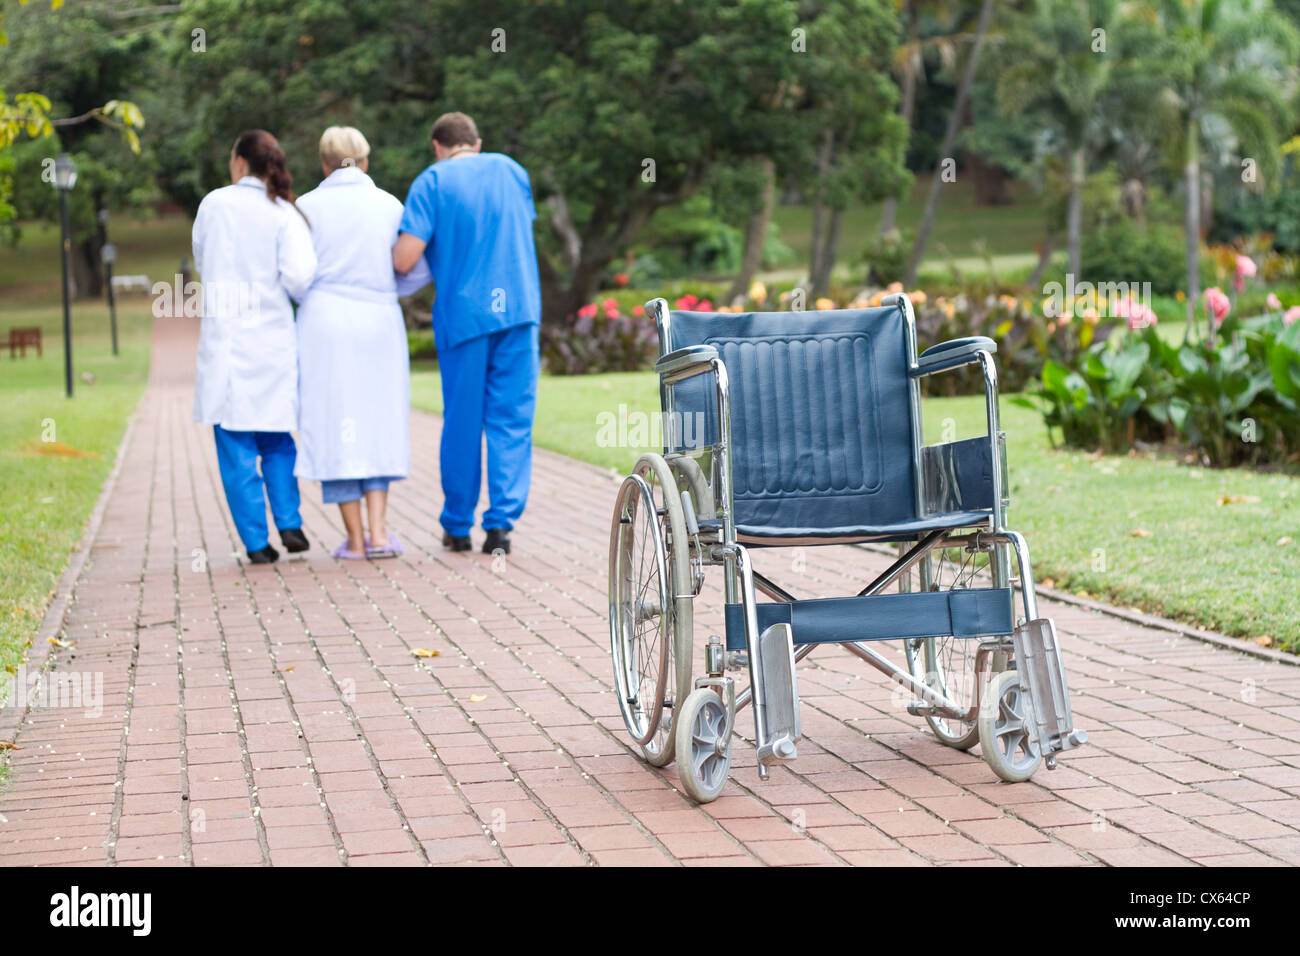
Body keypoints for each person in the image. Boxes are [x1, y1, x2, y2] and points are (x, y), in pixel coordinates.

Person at [393, 112, 541, 555]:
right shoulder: (512, 170)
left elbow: (404, 258)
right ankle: (500, 527)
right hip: (518, 310)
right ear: (476, 143)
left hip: (464, 316)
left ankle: (457, 526)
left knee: (462, 422)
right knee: (511, 421)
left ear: (437, 146)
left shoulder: (431, 182)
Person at [295, 126, 432, 559]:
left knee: (333, 419)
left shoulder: (304, 208)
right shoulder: (389, 205)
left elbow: (295, 275)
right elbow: (416, 268)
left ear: (323, 163)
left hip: (324, 323)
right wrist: (386, 289)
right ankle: (378, 533)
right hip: (377, 320)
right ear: (366, 161)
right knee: (378, 419)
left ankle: (354, 539)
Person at [192, 129, 317, 564]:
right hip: (272, 341)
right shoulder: (284, 212)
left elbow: (202, 260)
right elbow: (301, 279)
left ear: (239, 162)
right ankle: (290, 521)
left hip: (227, 341)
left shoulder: (213, 205)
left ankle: (257, 543)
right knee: (277, 437)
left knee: (235, 444)